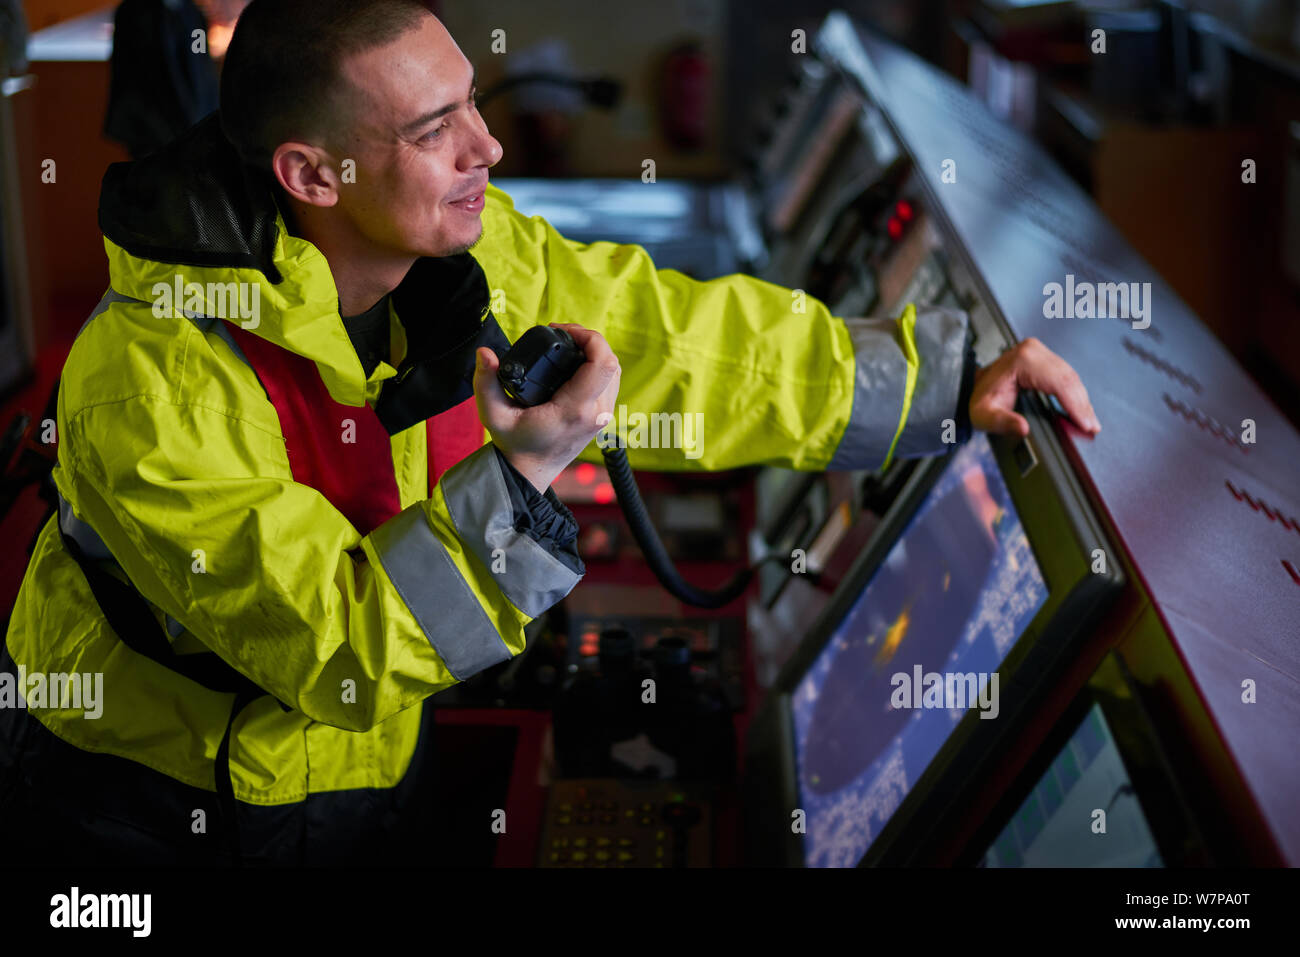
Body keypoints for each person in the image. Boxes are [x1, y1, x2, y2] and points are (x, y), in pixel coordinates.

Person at [0, 0, 1099, 866]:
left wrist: (940, 382)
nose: (487, 146)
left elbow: (675, 344)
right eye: (437, 130)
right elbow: (335, 653)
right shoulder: (152, 380)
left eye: (471, 103)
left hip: (368, 762)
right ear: (309, 173)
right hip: (148, 807)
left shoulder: (462, 254)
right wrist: (523, 477)